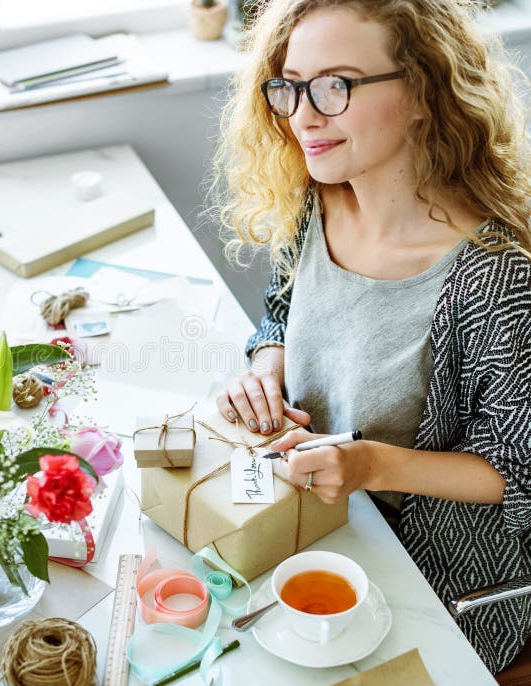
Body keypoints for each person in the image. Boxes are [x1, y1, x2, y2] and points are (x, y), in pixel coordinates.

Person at [212, 0, 531, 674]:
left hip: (432, 581)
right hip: (309, 520)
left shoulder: (494, 278)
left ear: (421, 91)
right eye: (291, 86)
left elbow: (515, 471)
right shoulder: (318, 200)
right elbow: (280, 311)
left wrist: (370, 465)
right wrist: (266, 366)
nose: (303, 116)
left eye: (337, 85)